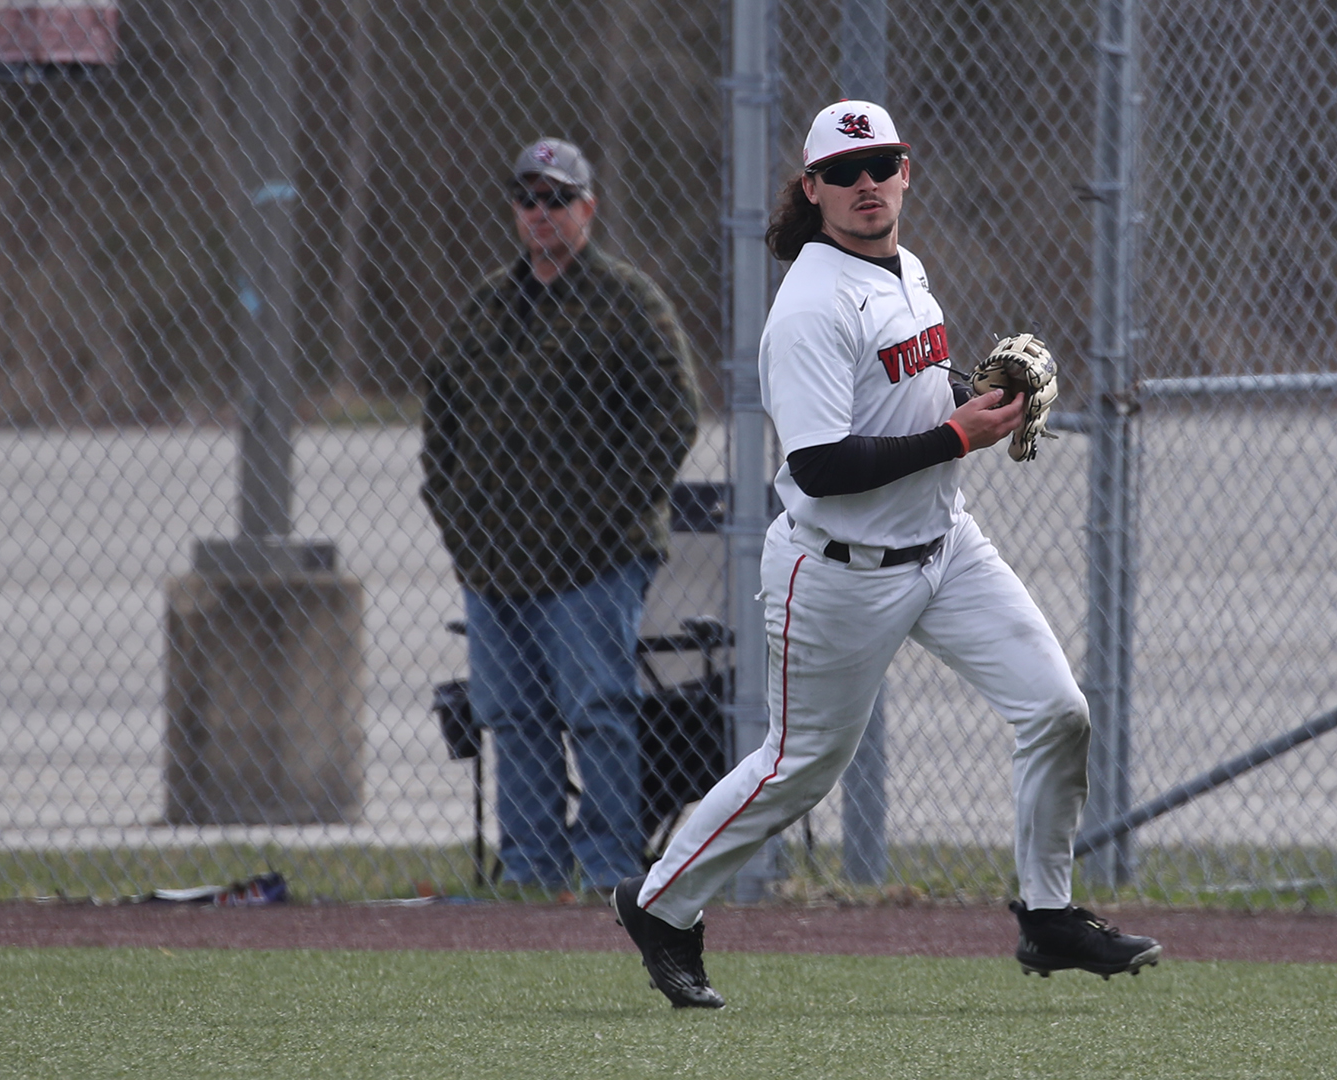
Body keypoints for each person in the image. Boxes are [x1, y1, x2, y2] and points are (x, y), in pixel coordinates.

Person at [612, 101, 1159, 1008]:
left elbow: (905, 393)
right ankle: (660, 905)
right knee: (799, 770)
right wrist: (956, 433)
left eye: (883, 165)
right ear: (813, 189)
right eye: (846, 172)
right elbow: (822, 465)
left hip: (945, 546)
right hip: (837, 569)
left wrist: (973, 395)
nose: (868, 184)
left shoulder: (905, 267)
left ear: (908, 171)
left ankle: (1048, 915)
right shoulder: (810, 305)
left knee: (1057, 709)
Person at [421, 137, 701, 898]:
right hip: (496, 563)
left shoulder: (627, 302)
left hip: (594, 561)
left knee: (597, 711)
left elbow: (672, 416)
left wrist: (609, 517)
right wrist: (459, 524)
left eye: (556, 198)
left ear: (587, 207)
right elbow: (440, 422)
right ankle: (532, 872)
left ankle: (612, 869)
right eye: (527, 198)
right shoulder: (485, 307)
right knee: (512, 716)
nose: (539, 212)